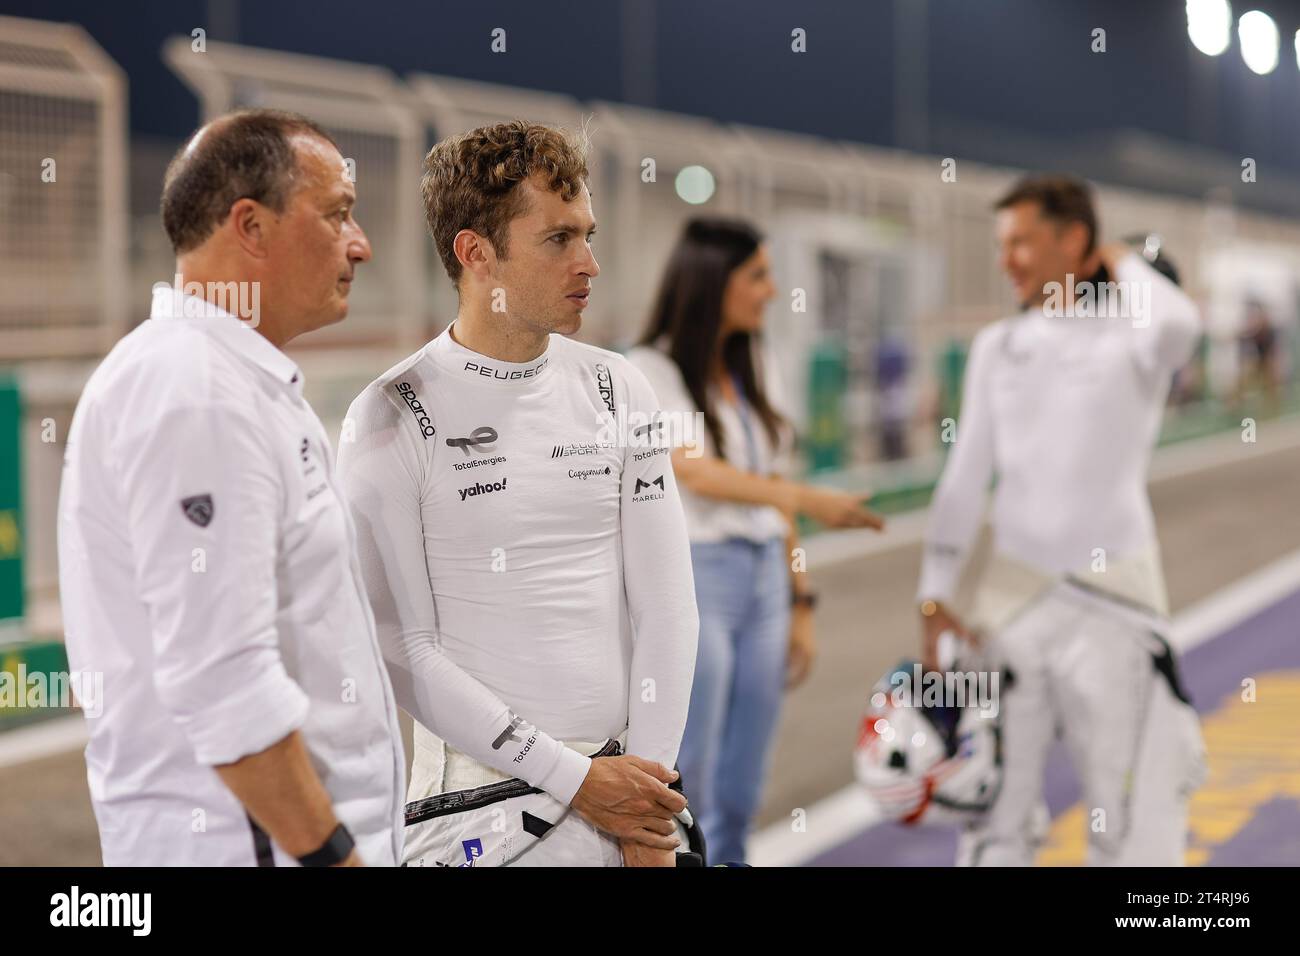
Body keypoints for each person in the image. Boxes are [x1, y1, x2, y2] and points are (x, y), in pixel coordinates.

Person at [336, 121, 698, 868]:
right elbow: (403, 650)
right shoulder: (391, 414)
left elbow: (666, 605)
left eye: (589, 236)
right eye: (558, 240)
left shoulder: (615, 385)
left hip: (628, 800)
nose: (590, 263)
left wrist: (646, 813)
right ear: (476, 253)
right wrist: (576, 781)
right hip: (478, 817)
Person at [57, 109, 403, 866]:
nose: (361, 244)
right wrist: (333, 857)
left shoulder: (234, 380)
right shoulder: (196, 391)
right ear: (250, 226)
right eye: (339, 214)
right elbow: (224, 680)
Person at [916, 175, 1207, 866]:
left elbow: (1178, 326)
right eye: (1001, 243)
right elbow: (964, 483)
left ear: (1072, 240)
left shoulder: (1133, 343)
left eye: (1020, 241)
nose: (1006, 258)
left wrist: (1119, 257)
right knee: (995, 817)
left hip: (1114, 605)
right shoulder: (998, 347)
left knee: (1129, 817)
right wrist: (935, 592)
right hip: (1008, 606)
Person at [628, 217, 883, 865]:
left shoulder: (758, 363)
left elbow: (775, 487)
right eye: (758, 277)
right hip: (697, 580)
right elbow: (693, 468)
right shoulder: (648, 370)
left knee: (742, 788)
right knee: (693, 776)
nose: (772, 291)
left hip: (767, 580)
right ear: (714, 284)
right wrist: (803, 499)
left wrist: (801, 598)